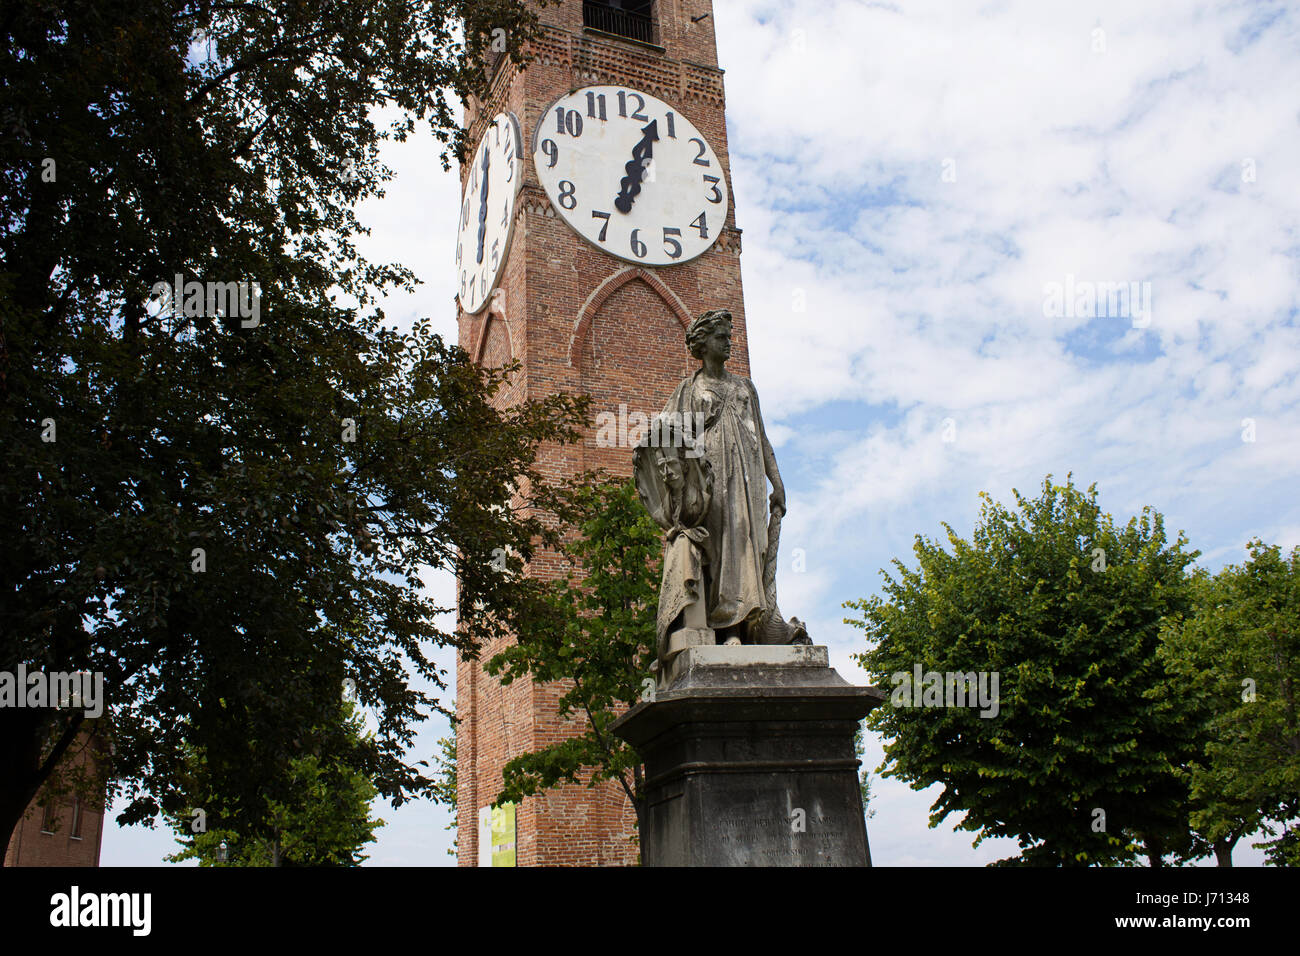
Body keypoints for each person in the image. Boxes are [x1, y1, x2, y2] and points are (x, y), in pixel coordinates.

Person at [641, 308, 805, 655]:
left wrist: (777, 482)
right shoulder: (690, 389)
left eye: (730, 337)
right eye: (721, 337)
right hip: (711, 479)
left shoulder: (745, 387)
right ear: (702, 344)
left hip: (749, 480)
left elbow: (761, 438)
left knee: (751, 545)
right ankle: (727, 626)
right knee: (722, 547)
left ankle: (749, 626)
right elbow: (664, 439)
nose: (728, 343)